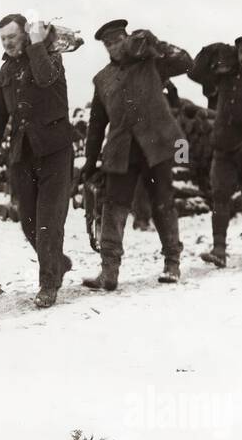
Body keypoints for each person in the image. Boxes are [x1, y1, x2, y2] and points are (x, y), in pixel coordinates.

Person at [80, 19, 192, 290]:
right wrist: (90, 160)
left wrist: (155, 43)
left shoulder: (151, 62)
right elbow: (96, 125)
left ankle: (172, 263)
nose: (114, 47)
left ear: (127, 39)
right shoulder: (103, 79)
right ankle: (109, 272)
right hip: (121, 151)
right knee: (113, 206)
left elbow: (186, 62)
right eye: (108, 44)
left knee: (162, 203)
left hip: (157, 146)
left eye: (118, 40)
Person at [0, 13, 73, 308]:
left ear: (26, 35)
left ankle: (49, 284)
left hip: (55, 152)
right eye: (3, 39)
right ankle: (56, 261)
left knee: (48, 221)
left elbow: (45, 78)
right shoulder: (5, 73)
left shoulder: (51, 59)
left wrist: (37, 45)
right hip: (24, 154)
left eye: (12, 37)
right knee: (28, 222)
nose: (7, 43)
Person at [189, 36, 242, 267]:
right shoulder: (223, 79)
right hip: (223, 149)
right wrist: (211, 48)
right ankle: (219, 249)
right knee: (220, 197)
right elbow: (194, 72)